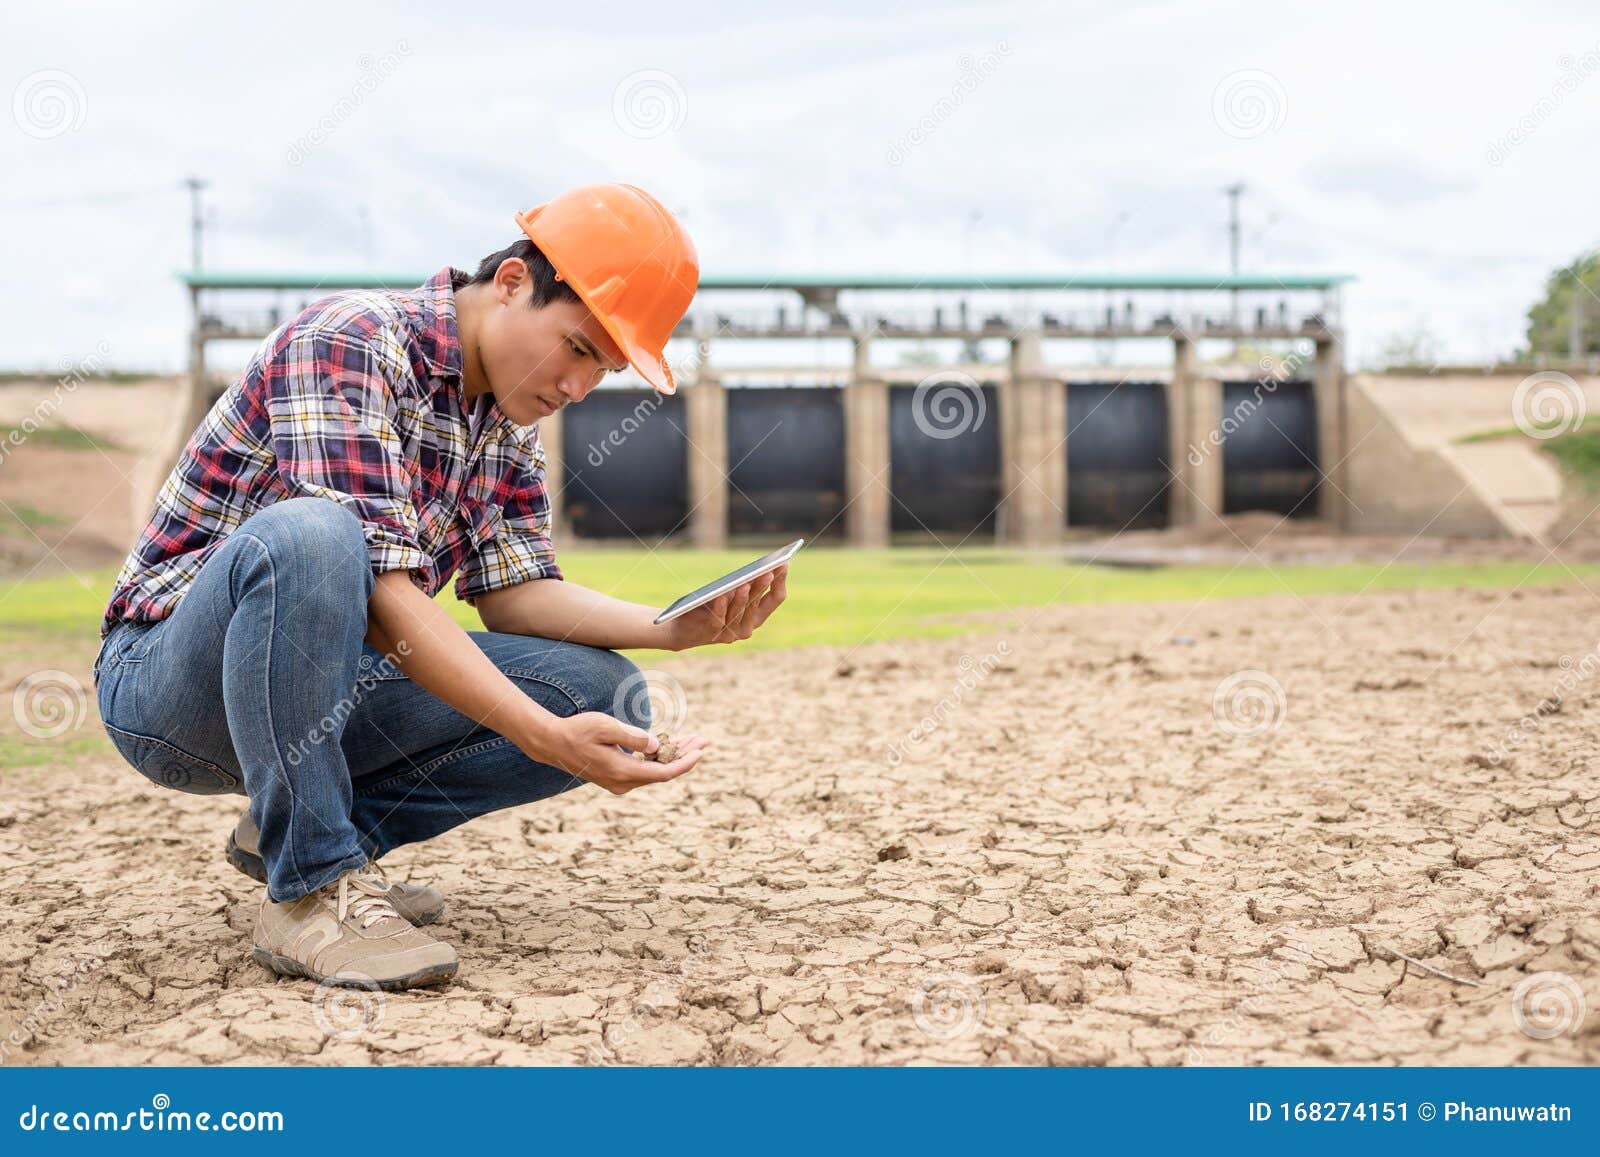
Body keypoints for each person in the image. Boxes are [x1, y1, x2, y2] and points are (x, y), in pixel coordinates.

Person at [92, 183, 788, 991]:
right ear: (515, 281)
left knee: (602, 690)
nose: (577, 388)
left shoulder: (507, 426)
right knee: (318, 533)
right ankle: (312, 884)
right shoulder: (351, 340)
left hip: (322, 689)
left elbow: (518, 593)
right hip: (170, 688)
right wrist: (537, 734)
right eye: (577, 348)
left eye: (603, 368)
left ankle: (298, 832)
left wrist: (672, 628)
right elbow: (387, 599)